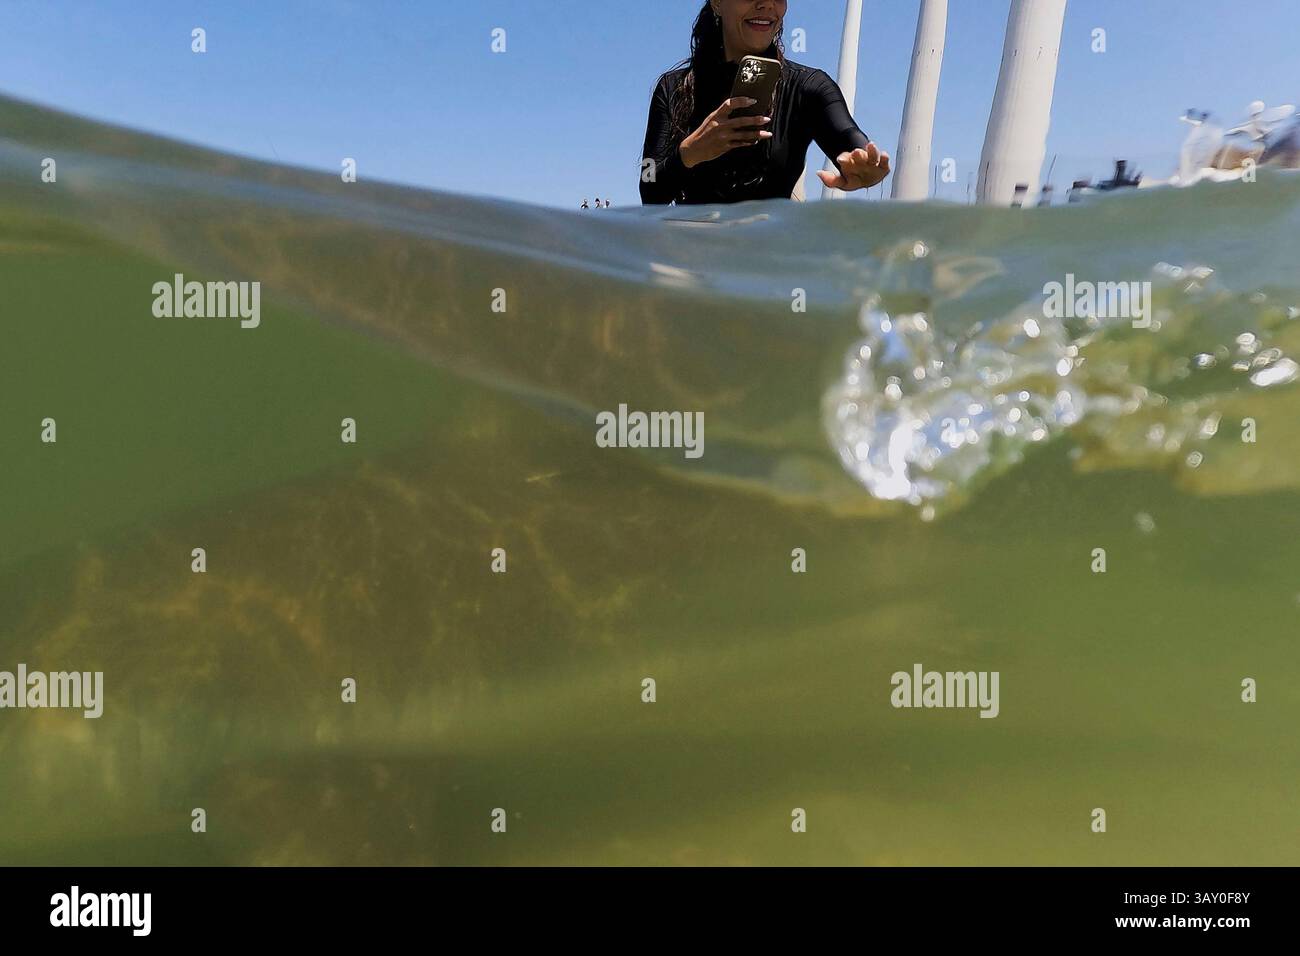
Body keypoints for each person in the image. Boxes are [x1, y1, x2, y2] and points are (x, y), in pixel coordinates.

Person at [640, 0, 890, 205]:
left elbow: (847, 134)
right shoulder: (673, 88)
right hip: (695, 256)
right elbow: (649, 186)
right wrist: (689, 154)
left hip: (769, 257)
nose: (767, 4)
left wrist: (864, 161)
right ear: (716, 3)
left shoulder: (808, 87)